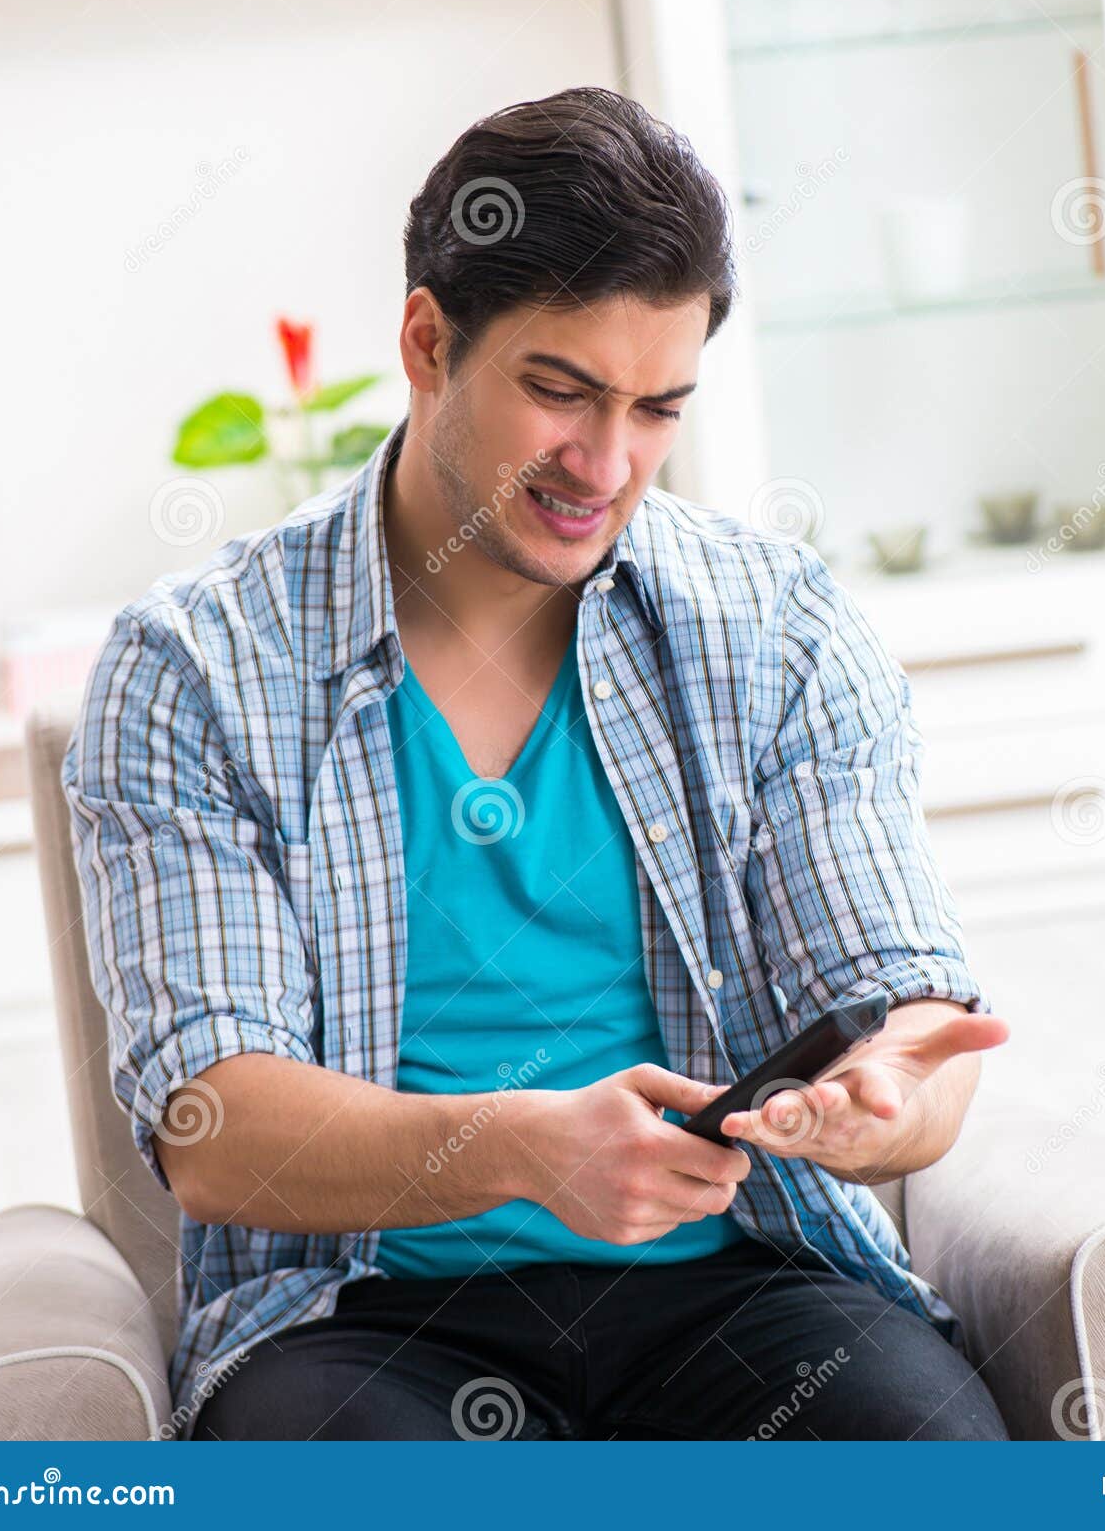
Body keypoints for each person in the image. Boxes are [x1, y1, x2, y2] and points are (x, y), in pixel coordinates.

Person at [64, 87, 1011, 1442]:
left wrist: (884, 1099)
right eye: (559, 392)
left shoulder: (775, 631)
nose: (605, 463)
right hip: (370, 1318)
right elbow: (213, 1125)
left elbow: (905, 1014)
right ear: (426, 340)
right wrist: (519, 1147)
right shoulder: (198, 669)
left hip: (748, 1292)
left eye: (655, 408)